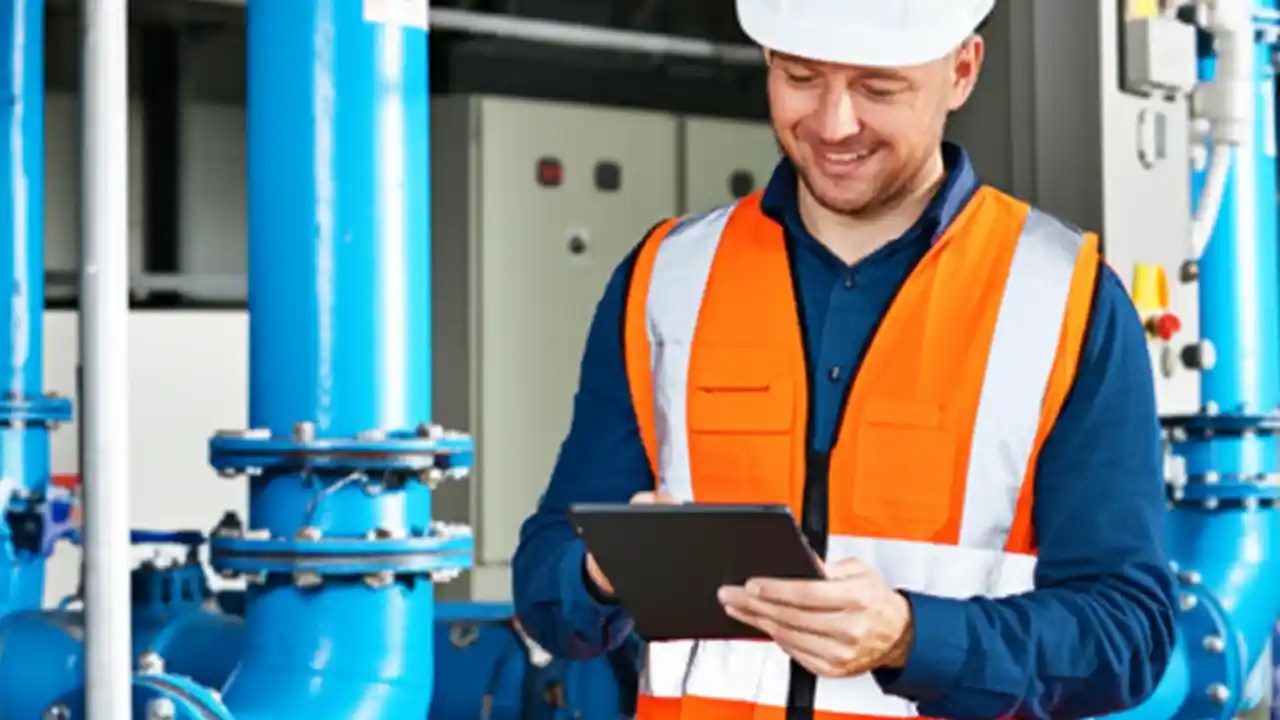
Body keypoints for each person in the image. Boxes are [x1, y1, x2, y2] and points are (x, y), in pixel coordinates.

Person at [511, 0, 1177, 717]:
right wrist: (600, 574)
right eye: (801, 77)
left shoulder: (1064, 301)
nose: (833, 124)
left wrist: (914, 638)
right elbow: (549, 588)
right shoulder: (665, 279)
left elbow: (1126, 634)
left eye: (878, 88)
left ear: (961, 72)